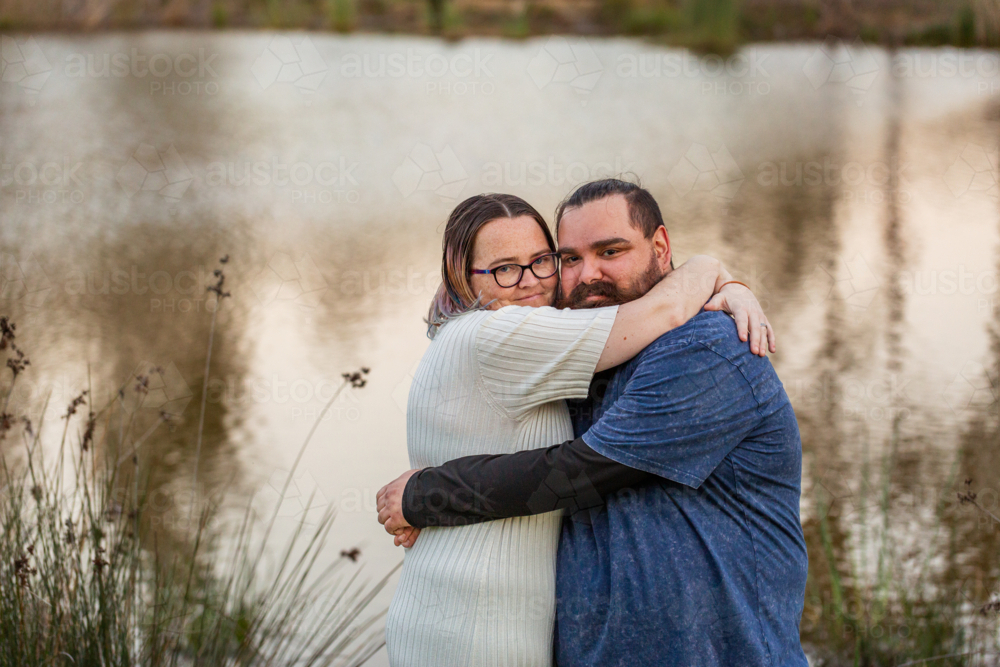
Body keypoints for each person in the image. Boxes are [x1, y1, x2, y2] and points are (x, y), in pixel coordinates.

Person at [378, 180, 807, 667]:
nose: (588, 274)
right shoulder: (561, 350)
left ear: (660, 247)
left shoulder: (704, 348)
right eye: (569, 259)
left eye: (611, 251)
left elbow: (579, 472)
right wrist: (716, 274)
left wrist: (429, 495)